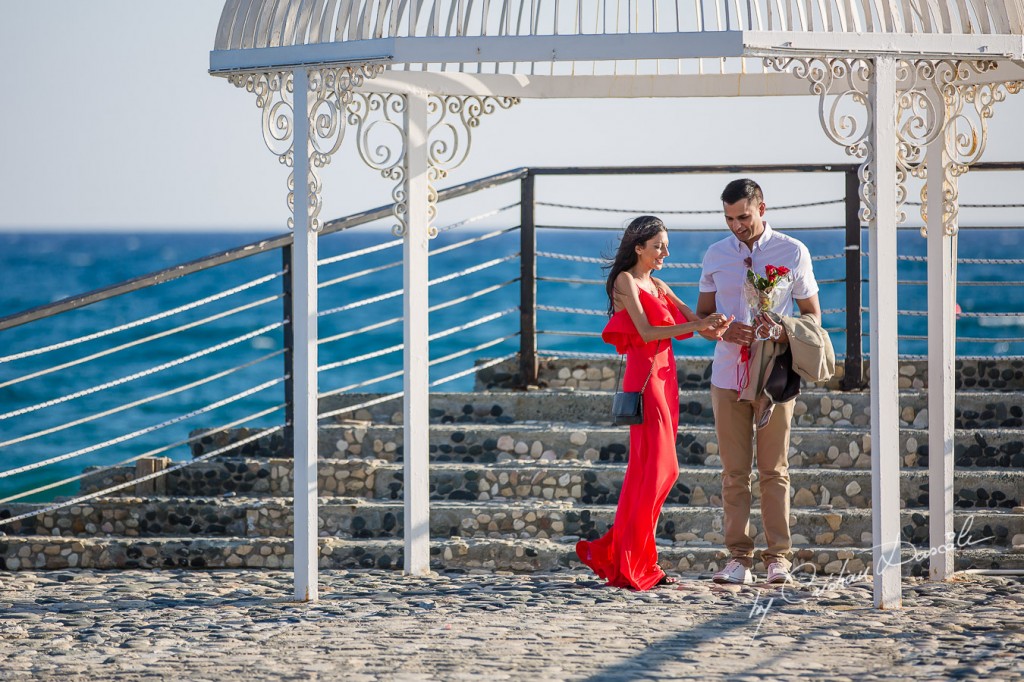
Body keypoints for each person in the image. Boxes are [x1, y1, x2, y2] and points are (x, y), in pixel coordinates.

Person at [576, 215, 731, 590]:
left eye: (666, 245)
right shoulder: (625, 281)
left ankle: (624, 554)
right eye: (659, 245)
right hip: (645, 380)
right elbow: (646, 331)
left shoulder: (658, 284)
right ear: (639, 247)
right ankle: (635, 559)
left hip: (666, 379)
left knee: (647, 473)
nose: (665, 252)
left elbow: (698, 323)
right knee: (662, 471)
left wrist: (722, 324)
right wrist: (695, 326)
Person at [696, 178, 821, 585]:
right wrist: (722, 331)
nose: (737, 225)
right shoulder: (715, 254)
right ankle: (738, 560)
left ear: (761, 209)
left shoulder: (793, 251)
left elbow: (813, 318)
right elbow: (702, 320)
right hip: (727, 376)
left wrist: (782, 330)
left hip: (773, 378)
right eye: (730, 218)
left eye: (744, 217)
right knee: (734, 472)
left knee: (773, 470)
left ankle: (778, 559)